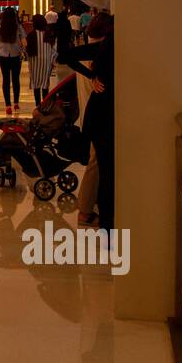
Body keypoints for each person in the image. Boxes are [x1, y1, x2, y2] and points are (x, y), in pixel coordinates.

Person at [61, 12, 114, 230]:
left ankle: (92, 211)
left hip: (90, 117)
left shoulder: (94, 51)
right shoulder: (101, 52)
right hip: (97, 118)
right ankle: (87, 211)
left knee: (98, 164)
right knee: (98, 166)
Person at [0, 7, 24, 116]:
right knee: (16, 79)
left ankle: (8, 105)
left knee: (6, 80)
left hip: (3, 56)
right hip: (16, 55)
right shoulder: (18, 27)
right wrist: (22, 49)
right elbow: (24, 41)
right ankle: (16, 103)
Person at [26, 13, 57, 106]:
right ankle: (45, 104)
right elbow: (54, 49)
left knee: (36, 84)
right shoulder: (49, 33)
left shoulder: (31, 35)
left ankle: (38, 104)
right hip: (46, 62)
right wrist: (52, 60)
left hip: (35, 62)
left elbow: (27, 50)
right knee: (45, 84)